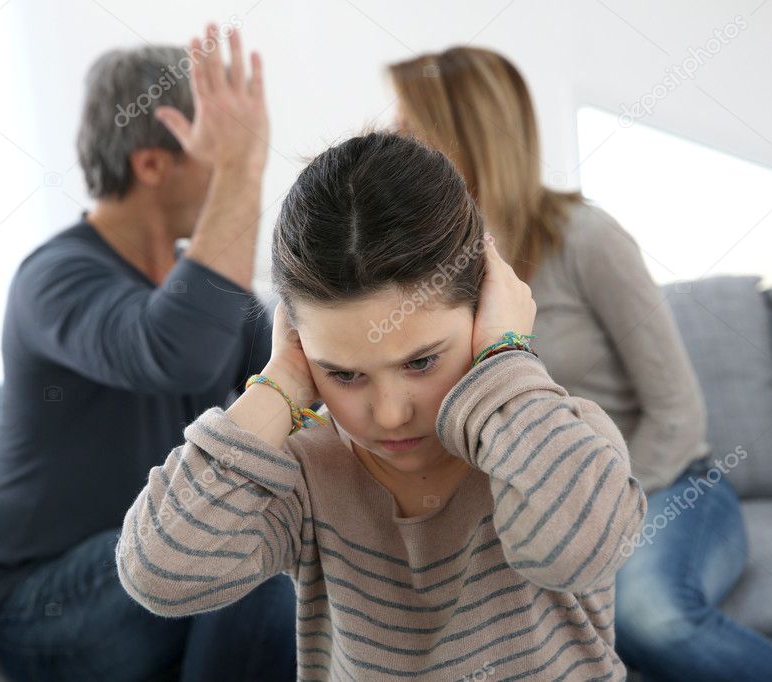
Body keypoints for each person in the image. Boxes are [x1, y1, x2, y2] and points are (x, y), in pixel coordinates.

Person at [115, 128, 647, 680]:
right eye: (343, 373)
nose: (390, 414)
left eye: (421, 362)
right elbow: (158, 572)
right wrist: (279, 385)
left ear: (486, 307)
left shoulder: (559, 437)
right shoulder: (303, 473)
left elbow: (578, 553)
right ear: (298, 345)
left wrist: (506, 360)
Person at [386, 46, 772, 681]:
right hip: (529, 507)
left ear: (461, 132)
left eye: (407, 124)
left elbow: (679, 411)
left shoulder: (587, 238)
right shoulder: (431, 273)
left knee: (650, 616)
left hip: (668, 485)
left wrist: (592, 517)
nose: (393, 140)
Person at [0, 23, 296, 681]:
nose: (239, 165)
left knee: (285, 530)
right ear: (151, 163)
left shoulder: (191, 282)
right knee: (238, 549)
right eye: (216, 152)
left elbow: (289, 363)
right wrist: (241, 168)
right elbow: (176, 350)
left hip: (152, 561)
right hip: (42, 603)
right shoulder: (53, 278)